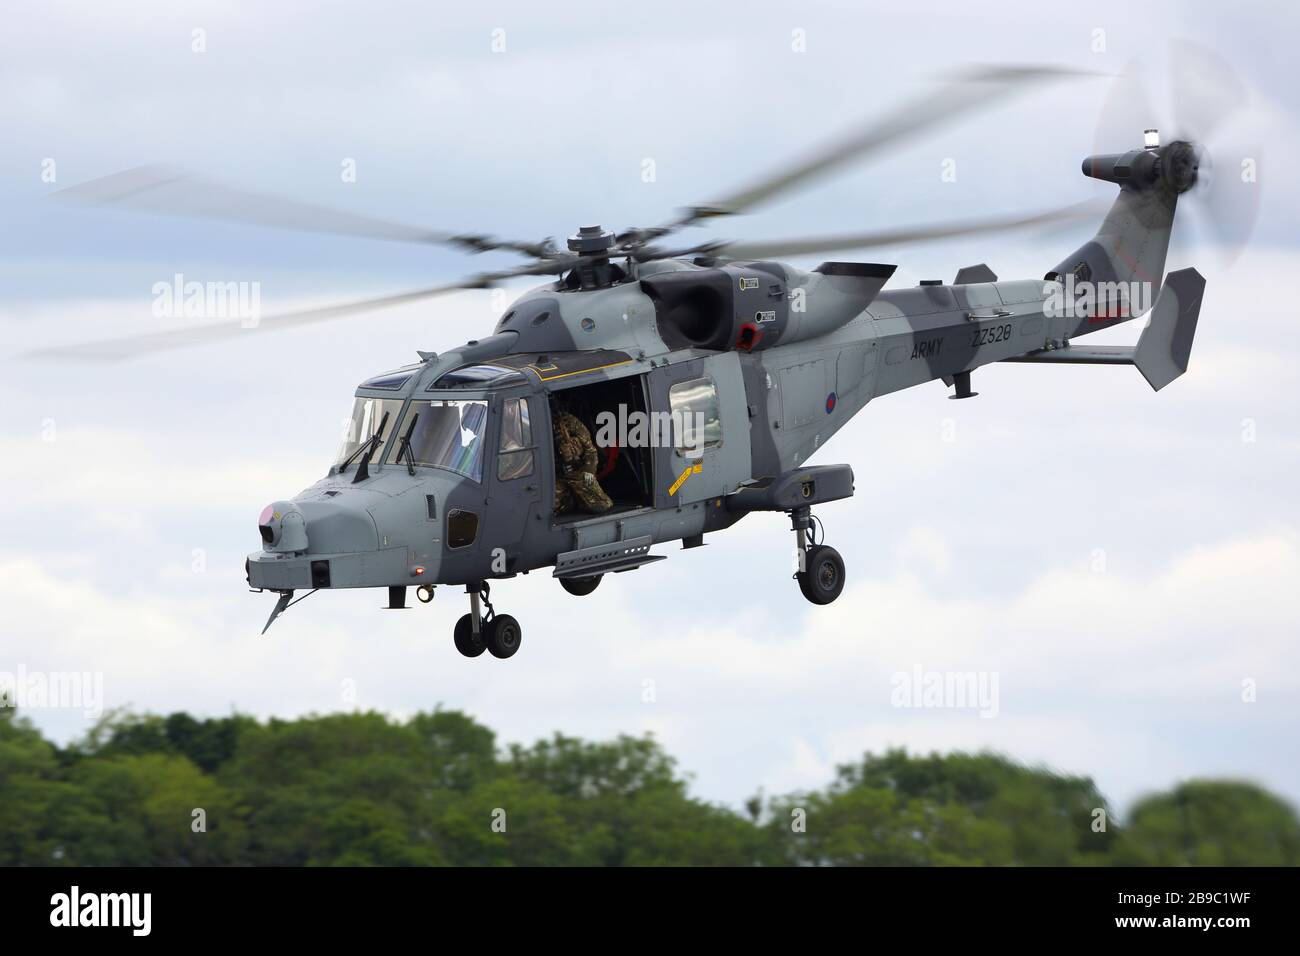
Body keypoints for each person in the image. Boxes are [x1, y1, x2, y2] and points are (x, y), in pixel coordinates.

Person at [552, 406, 613, 515]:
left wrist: (589, 471)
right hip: (557, 475)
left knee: (600, 505)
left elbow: (591, 450)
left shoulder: (569, 422)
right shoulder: (537, 425)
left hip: (578, 471)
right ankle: (572, 500)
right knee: (552, 506)